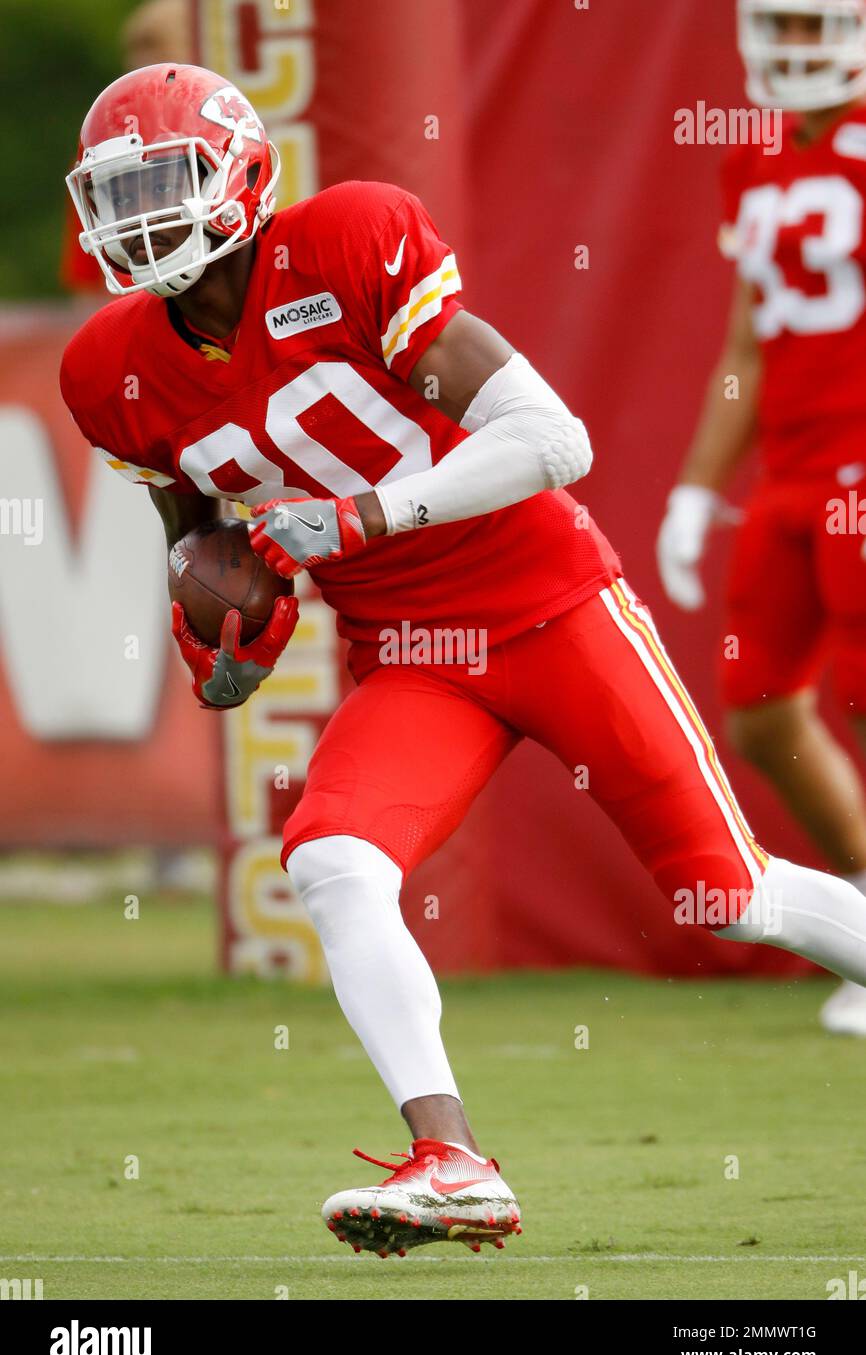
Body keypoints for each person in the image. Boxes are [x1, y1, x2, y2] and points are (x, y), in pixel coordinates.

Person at [62, 62, 866, 1258]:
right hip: (412, 658)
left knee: (729, 893)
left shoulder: (342, 244)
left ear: (237, 173)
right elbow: (203, 547)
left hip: (551, 607)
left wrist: (369, 517)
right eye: (118, 194)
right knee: (333, 859)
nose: (142, 217)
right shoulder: (110, 372)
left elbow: (553, 436)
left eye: (166, 182)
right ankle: (452, 1157)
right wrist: (220, 646)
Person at [658, 0, 866, 1037]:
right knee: (757, 707)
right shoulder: (749, 153)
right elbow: (746, 339)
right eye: (777, 25)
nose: (793, 48)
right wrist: (698, 486)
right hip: (788, 464)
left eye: (812, 26)